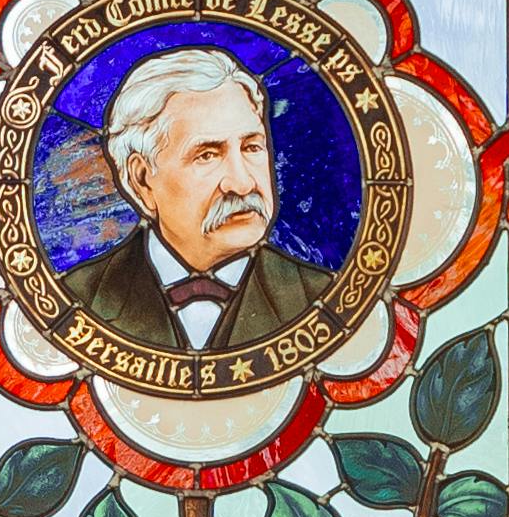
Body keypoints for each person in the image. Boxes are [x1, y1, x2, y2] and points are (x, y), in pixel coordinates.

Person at [54, 49, 338, 367]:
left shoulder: (322, 299)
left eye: (251, 147)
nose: (243, 184)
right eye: (207, 155)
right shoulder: (74, 301)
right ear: (142, 180)